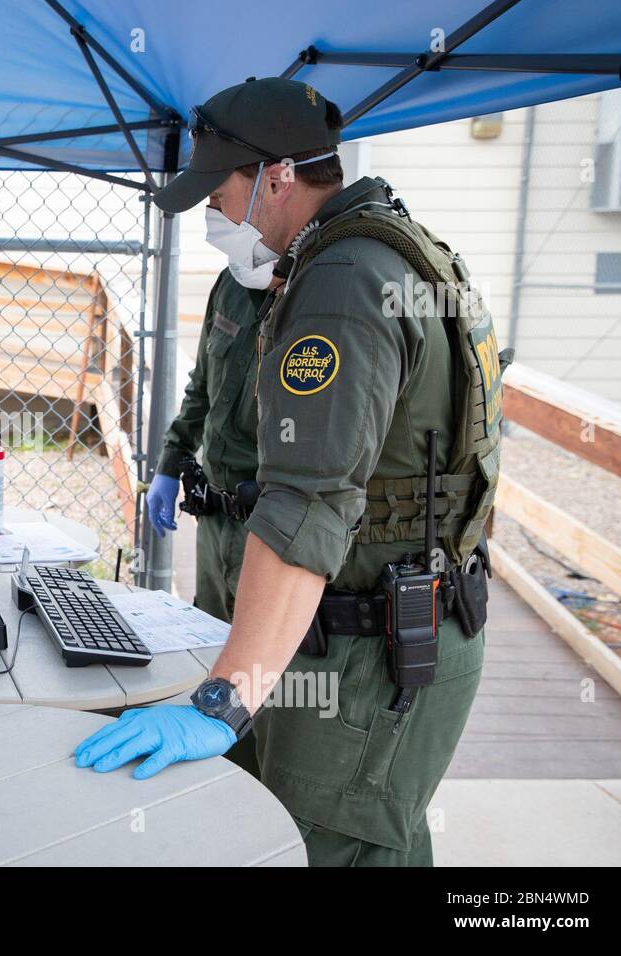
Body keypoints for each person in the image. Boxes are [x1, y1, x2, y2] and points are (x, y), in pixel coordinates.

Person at [75, 77, 503, 866]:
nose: (212, 216)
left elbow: (308, 504)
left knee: (320, 848)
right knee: (377, 844)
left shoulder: (342, 283)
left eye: (219, 193)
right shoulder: (392, 250)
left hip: (371, 658)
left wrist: (224, 697)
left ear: (275, 176)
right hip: (400, 629)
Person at [144, 269, 266, 777]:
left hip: (268, 530)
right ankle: (214, 787)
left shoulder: (315, 291)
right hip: (215, 521)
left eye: (221, 199)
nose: (215, 214)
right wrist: (171, 463)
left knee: (261, 675)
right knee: (212, 660)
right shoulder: (233, 282)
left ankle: (254, 800)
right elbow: (201, 387)